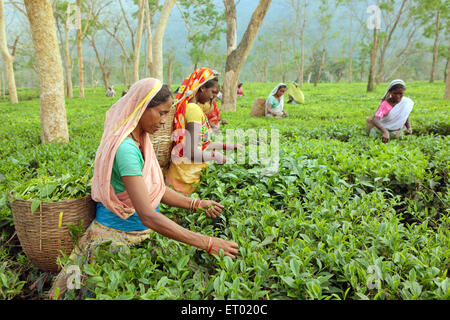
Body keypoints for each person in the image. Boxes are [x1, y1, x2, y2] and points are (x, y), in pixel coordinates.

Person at [49, 78, 238, 299]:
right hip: (117, 238)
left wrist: (195, 203)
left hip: (141, 234)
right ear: (141, 107)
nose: (164, 120)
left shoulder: (141, 140)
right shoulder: (126, 149)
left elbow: (154, 188)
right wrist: (207, 243)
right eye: (161, 113)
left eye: (167, 113)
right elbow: (147, 214)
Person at [165, 68, 242, 196]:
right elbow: (192, 152)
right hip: (185, 181)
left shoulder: (190, 108)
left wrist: (228, 146)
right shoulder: (193, 110)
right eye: (212, 91)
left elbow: (201, 143)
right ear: (202, 88)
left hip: (183, 175)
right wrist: (215, 156)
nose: (213, 96)